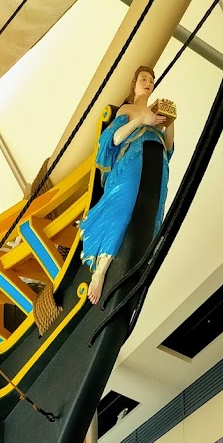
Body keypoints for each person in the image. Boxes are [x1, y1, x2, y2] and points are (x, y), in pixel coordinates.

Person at [79, 64, 175, 304]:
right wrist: (141, 119)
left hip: (156, 165)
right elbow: (113, 138)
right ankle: (100, 270)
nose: (148, 82)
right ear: (134, 84)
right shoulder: (129, 108)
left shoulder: (155, 112)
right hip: (132, 159)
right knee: (122, 208)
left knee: (153, 215)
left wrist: (169, 122)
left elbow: (169, 147)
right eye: (143, 78)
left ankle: (141, 269)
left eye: (152, 79)